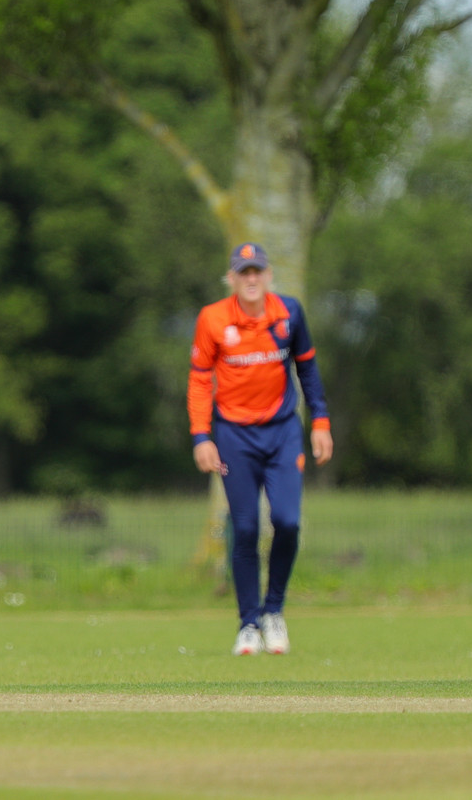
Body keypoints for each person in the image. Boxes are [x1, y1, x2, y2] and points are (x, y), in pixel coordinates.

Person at [186, 242, 333, 656]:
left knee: (287, 522)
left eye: (257, 272)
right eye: (243, 272)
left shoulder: (288, 313)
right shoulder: (213, 319)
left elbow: (307, 368)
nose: (251, 279)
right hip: (234, 435)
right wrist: (202, 436)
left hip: (283, 432)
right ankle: (248, 622)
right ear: (232, 278)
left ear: (268, 276)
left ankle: (274, 611)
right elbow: (199, 381)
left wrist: (320, 421)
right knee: (246, 529)